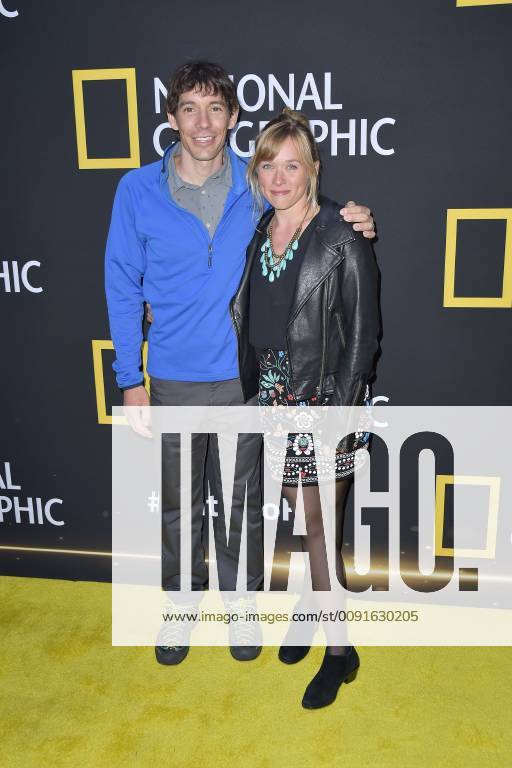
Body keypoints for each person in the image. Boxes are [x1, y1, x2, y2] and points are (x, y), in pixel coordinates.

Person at [105, 60, 376, 667]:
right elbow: (122, 286)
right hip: (171, 377)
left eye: (216, 109)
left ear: (231, 118)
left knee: (243, 502)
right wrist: (130, 378)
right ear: (170, 117)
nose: (203, 123)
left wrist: (352, 221)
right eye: (190, 109)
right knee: (178, 503)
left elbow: (299, 198)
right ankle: (180, 607)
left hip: (241, 381)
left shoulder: (252, 183)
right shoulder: (136, 191)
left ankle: (243, 608)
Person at [230, 109, 380, 708]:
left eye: (292, 164)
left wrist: (338, 419)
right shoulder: (260, 228)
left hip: (323, 402)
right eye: (269, 164)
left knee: (319, 527)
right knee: (305, 518)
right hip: (272, 397)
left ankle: (341, 653)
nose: (279, 176)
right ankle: (311, 606)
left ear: (313, 168)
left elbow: (365, 336)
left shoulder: (342, 236)